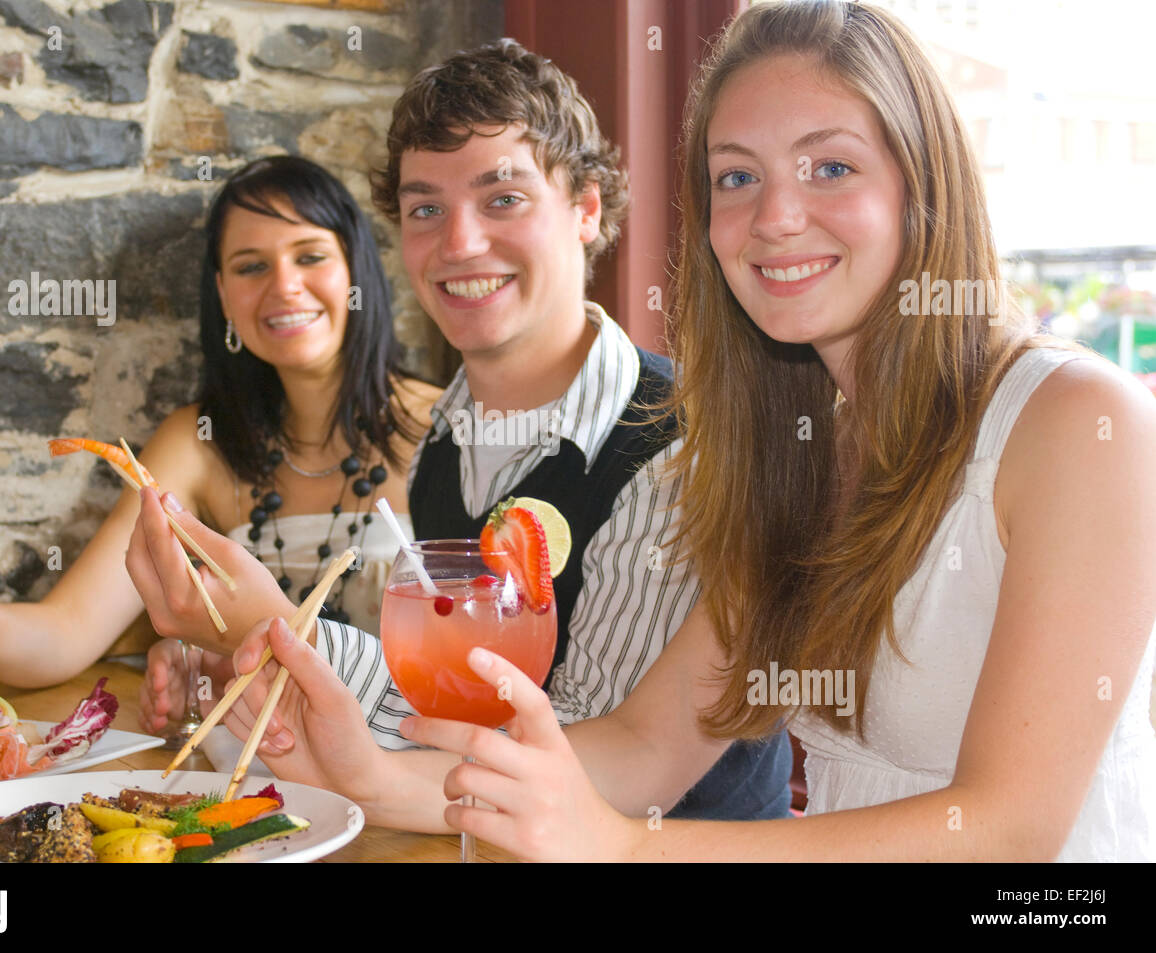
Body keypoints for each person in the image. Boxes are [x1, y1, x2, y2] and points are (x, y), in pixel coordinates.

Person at [198, 0, 1156, 860]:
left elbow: (1011, 827)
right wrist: (362, 772)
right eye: (736, 177)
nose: (775, 217)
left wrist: (620, 846)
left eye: (830, 165)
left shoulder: (1078, 422)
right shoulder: (793, 455)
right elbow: (644, 743)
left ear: (923, 181)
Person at [131, 39, 792, 820]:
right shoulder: (445, 431)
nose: (459, 243)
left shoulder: (682, 443)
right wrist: (252, 658)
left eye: (502, 198)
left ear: (585, 208)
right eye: (425, 209)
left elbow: (587, 755)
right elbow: (451, 701)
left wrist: (280, 631)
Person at [0, 155, 437, 688]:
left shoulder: (446, 425)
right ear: (223, 295)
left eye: (310, 256)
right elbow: (64, 634)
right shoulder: (198, 441)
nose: (283, 285)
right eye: (251, 266)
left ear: (356, 271)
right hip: (264, 771)